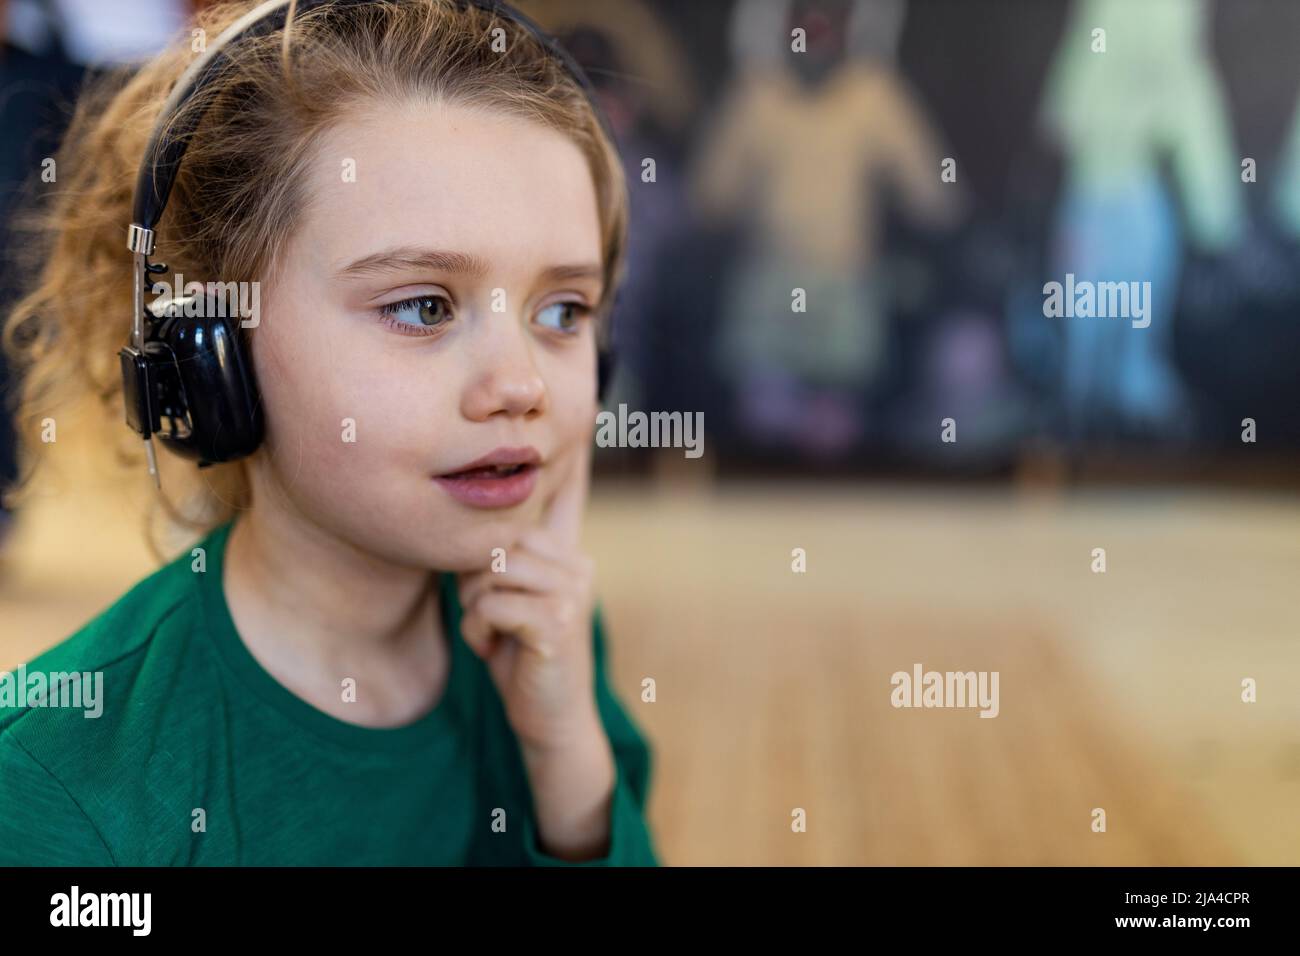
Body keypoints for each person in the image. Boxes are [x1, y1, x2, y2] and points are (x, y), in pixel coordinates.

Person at [0, 0, 659, 866]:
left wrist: (564, 752)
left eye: (564, 311)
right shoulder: (54, 779)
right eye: (422, 306)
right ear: (207, 353)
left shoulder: (545, 627)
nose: (523, 385)